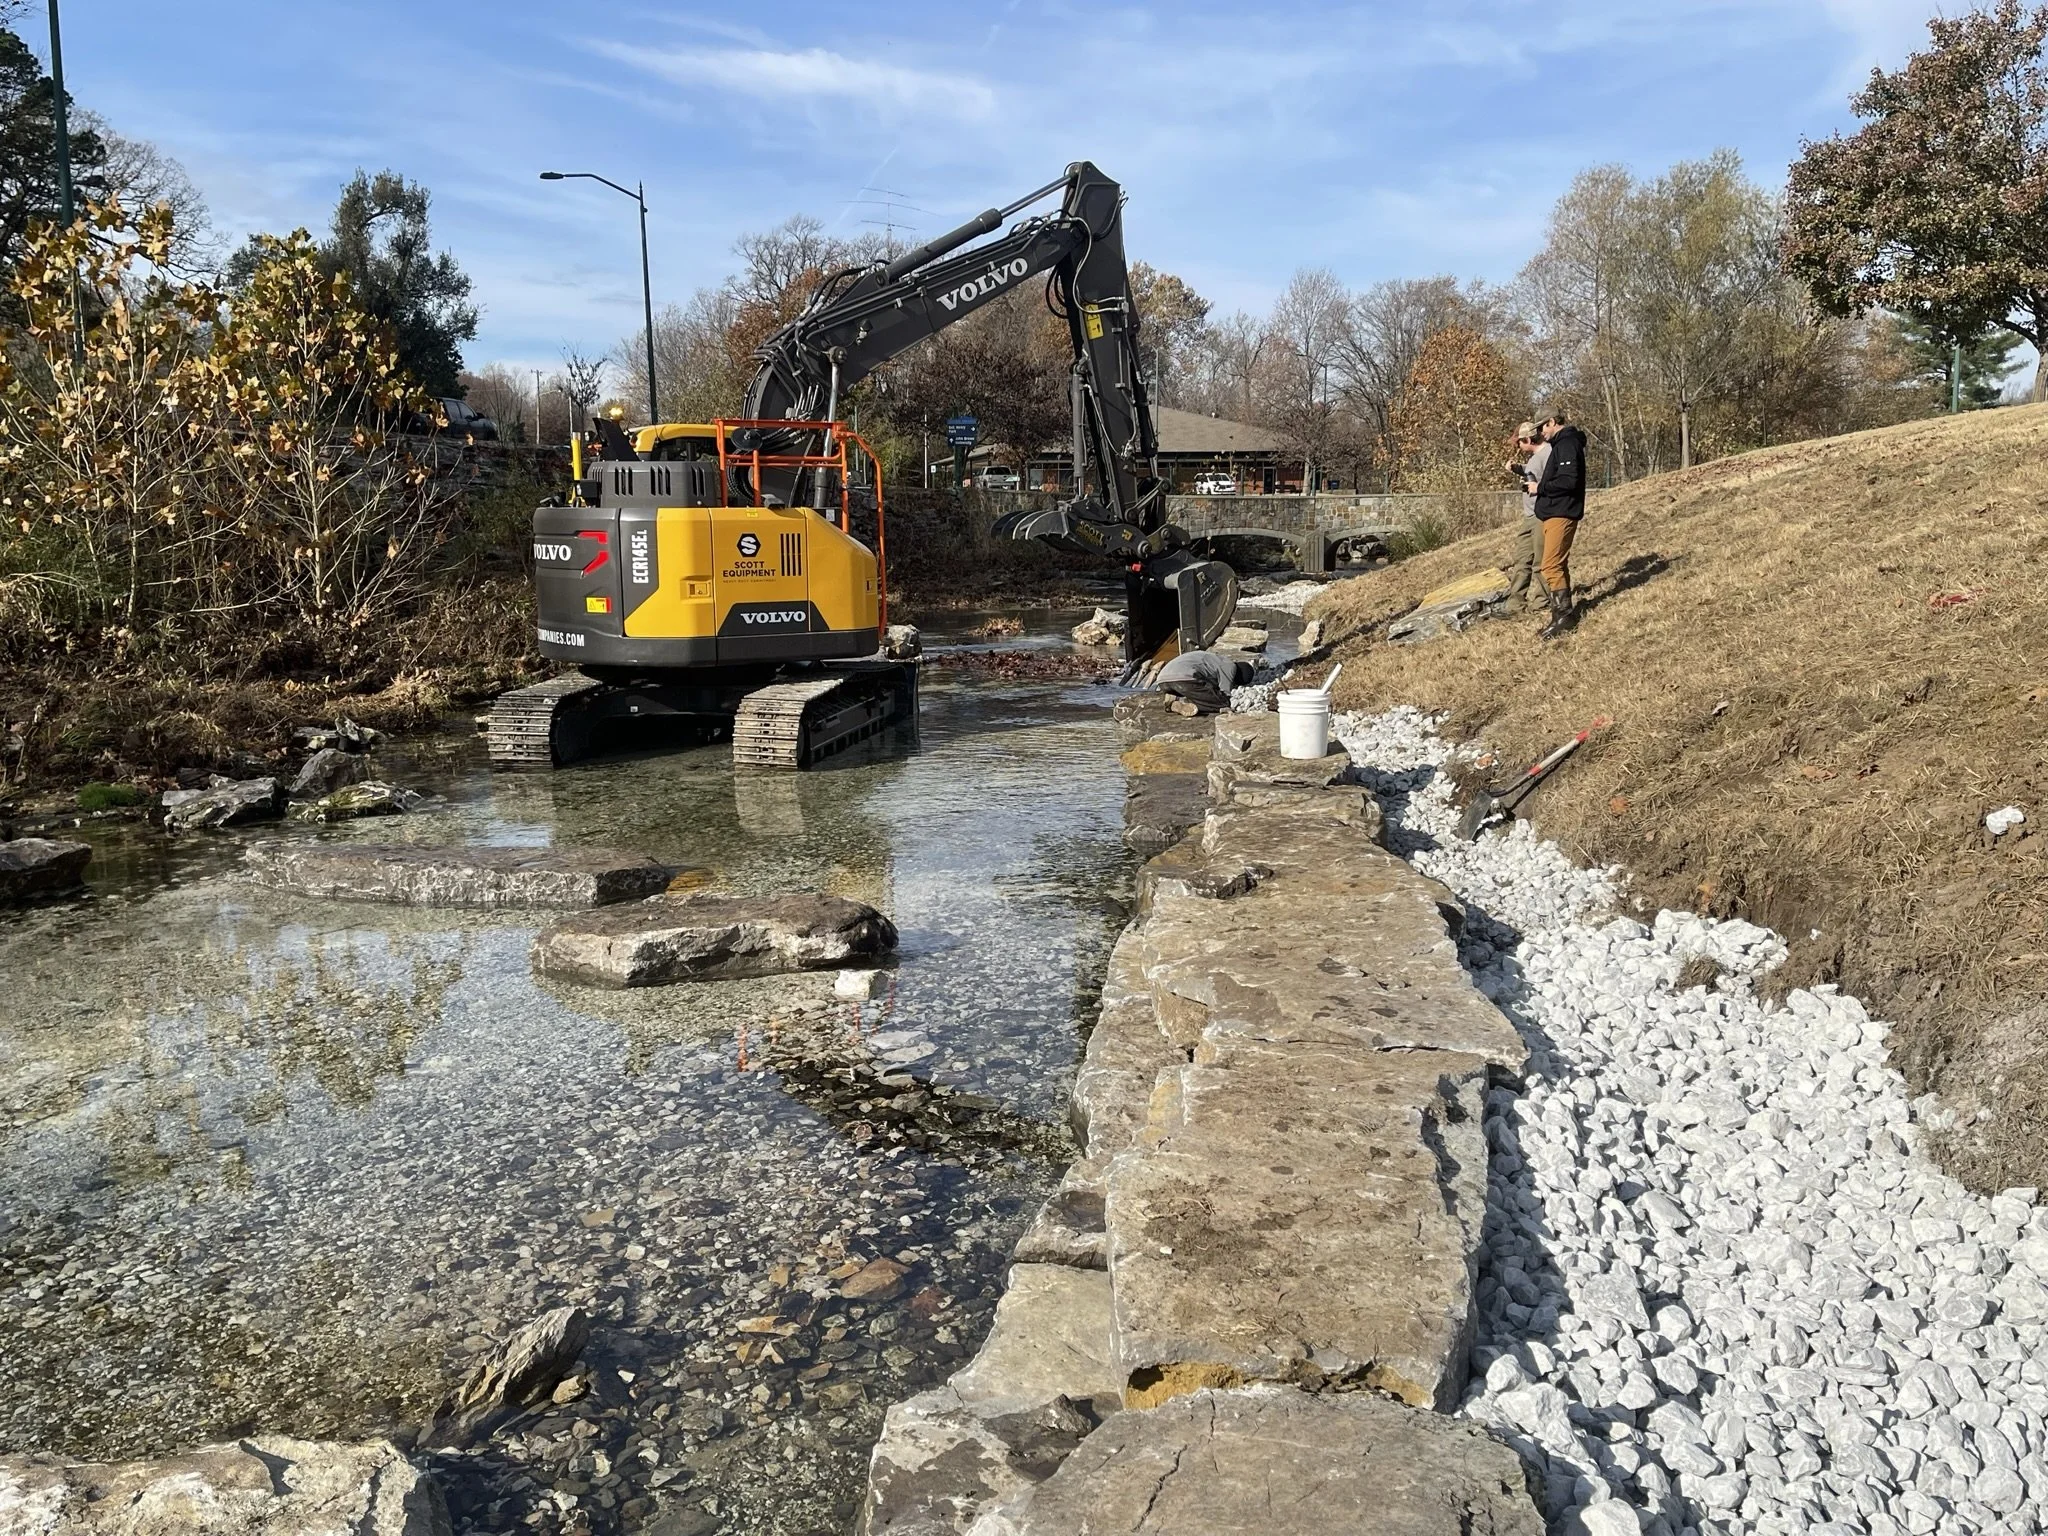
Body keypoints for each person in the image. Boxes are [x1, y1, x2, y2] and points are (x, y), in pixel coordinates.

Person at [1531, 411, 1588, 639]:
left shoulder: (1567, 444)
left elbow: (1568, 480)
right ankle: (1560, 615)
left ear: (1552, 422)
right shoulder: (1563, 444)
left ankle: (1564, 617)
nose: (1540, 433)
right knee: (1557, 565)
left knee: (1550, 566)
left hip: (1561, 512)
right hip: (1556, 512)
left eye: (1542, 427)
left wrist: (1540, 489)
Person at [1501, 422, 1550, 613]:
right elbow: (1532, 474)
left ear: (1528, 439)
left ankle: (1541, 604)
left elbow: (1549, 482)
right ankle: (1515, 605)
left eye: (1519, 442)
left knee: (1540, 563)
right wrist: (1517, 469)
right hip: (1529, 516)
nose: (1518, 447)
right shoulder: (1534, 457)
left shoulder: (1548, 455)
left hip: (1541, 516)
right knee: (1522, 561)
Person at [1154, 650, 1253, 714]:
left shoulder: (1216, 659)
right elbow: (1225, 691)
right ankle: (1184, 701)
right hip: (1184, 679)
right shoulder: (1230, 666)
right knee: (1222, 701)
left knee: (1202, 690)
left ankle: (1175, 699)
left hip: (1163, 681)